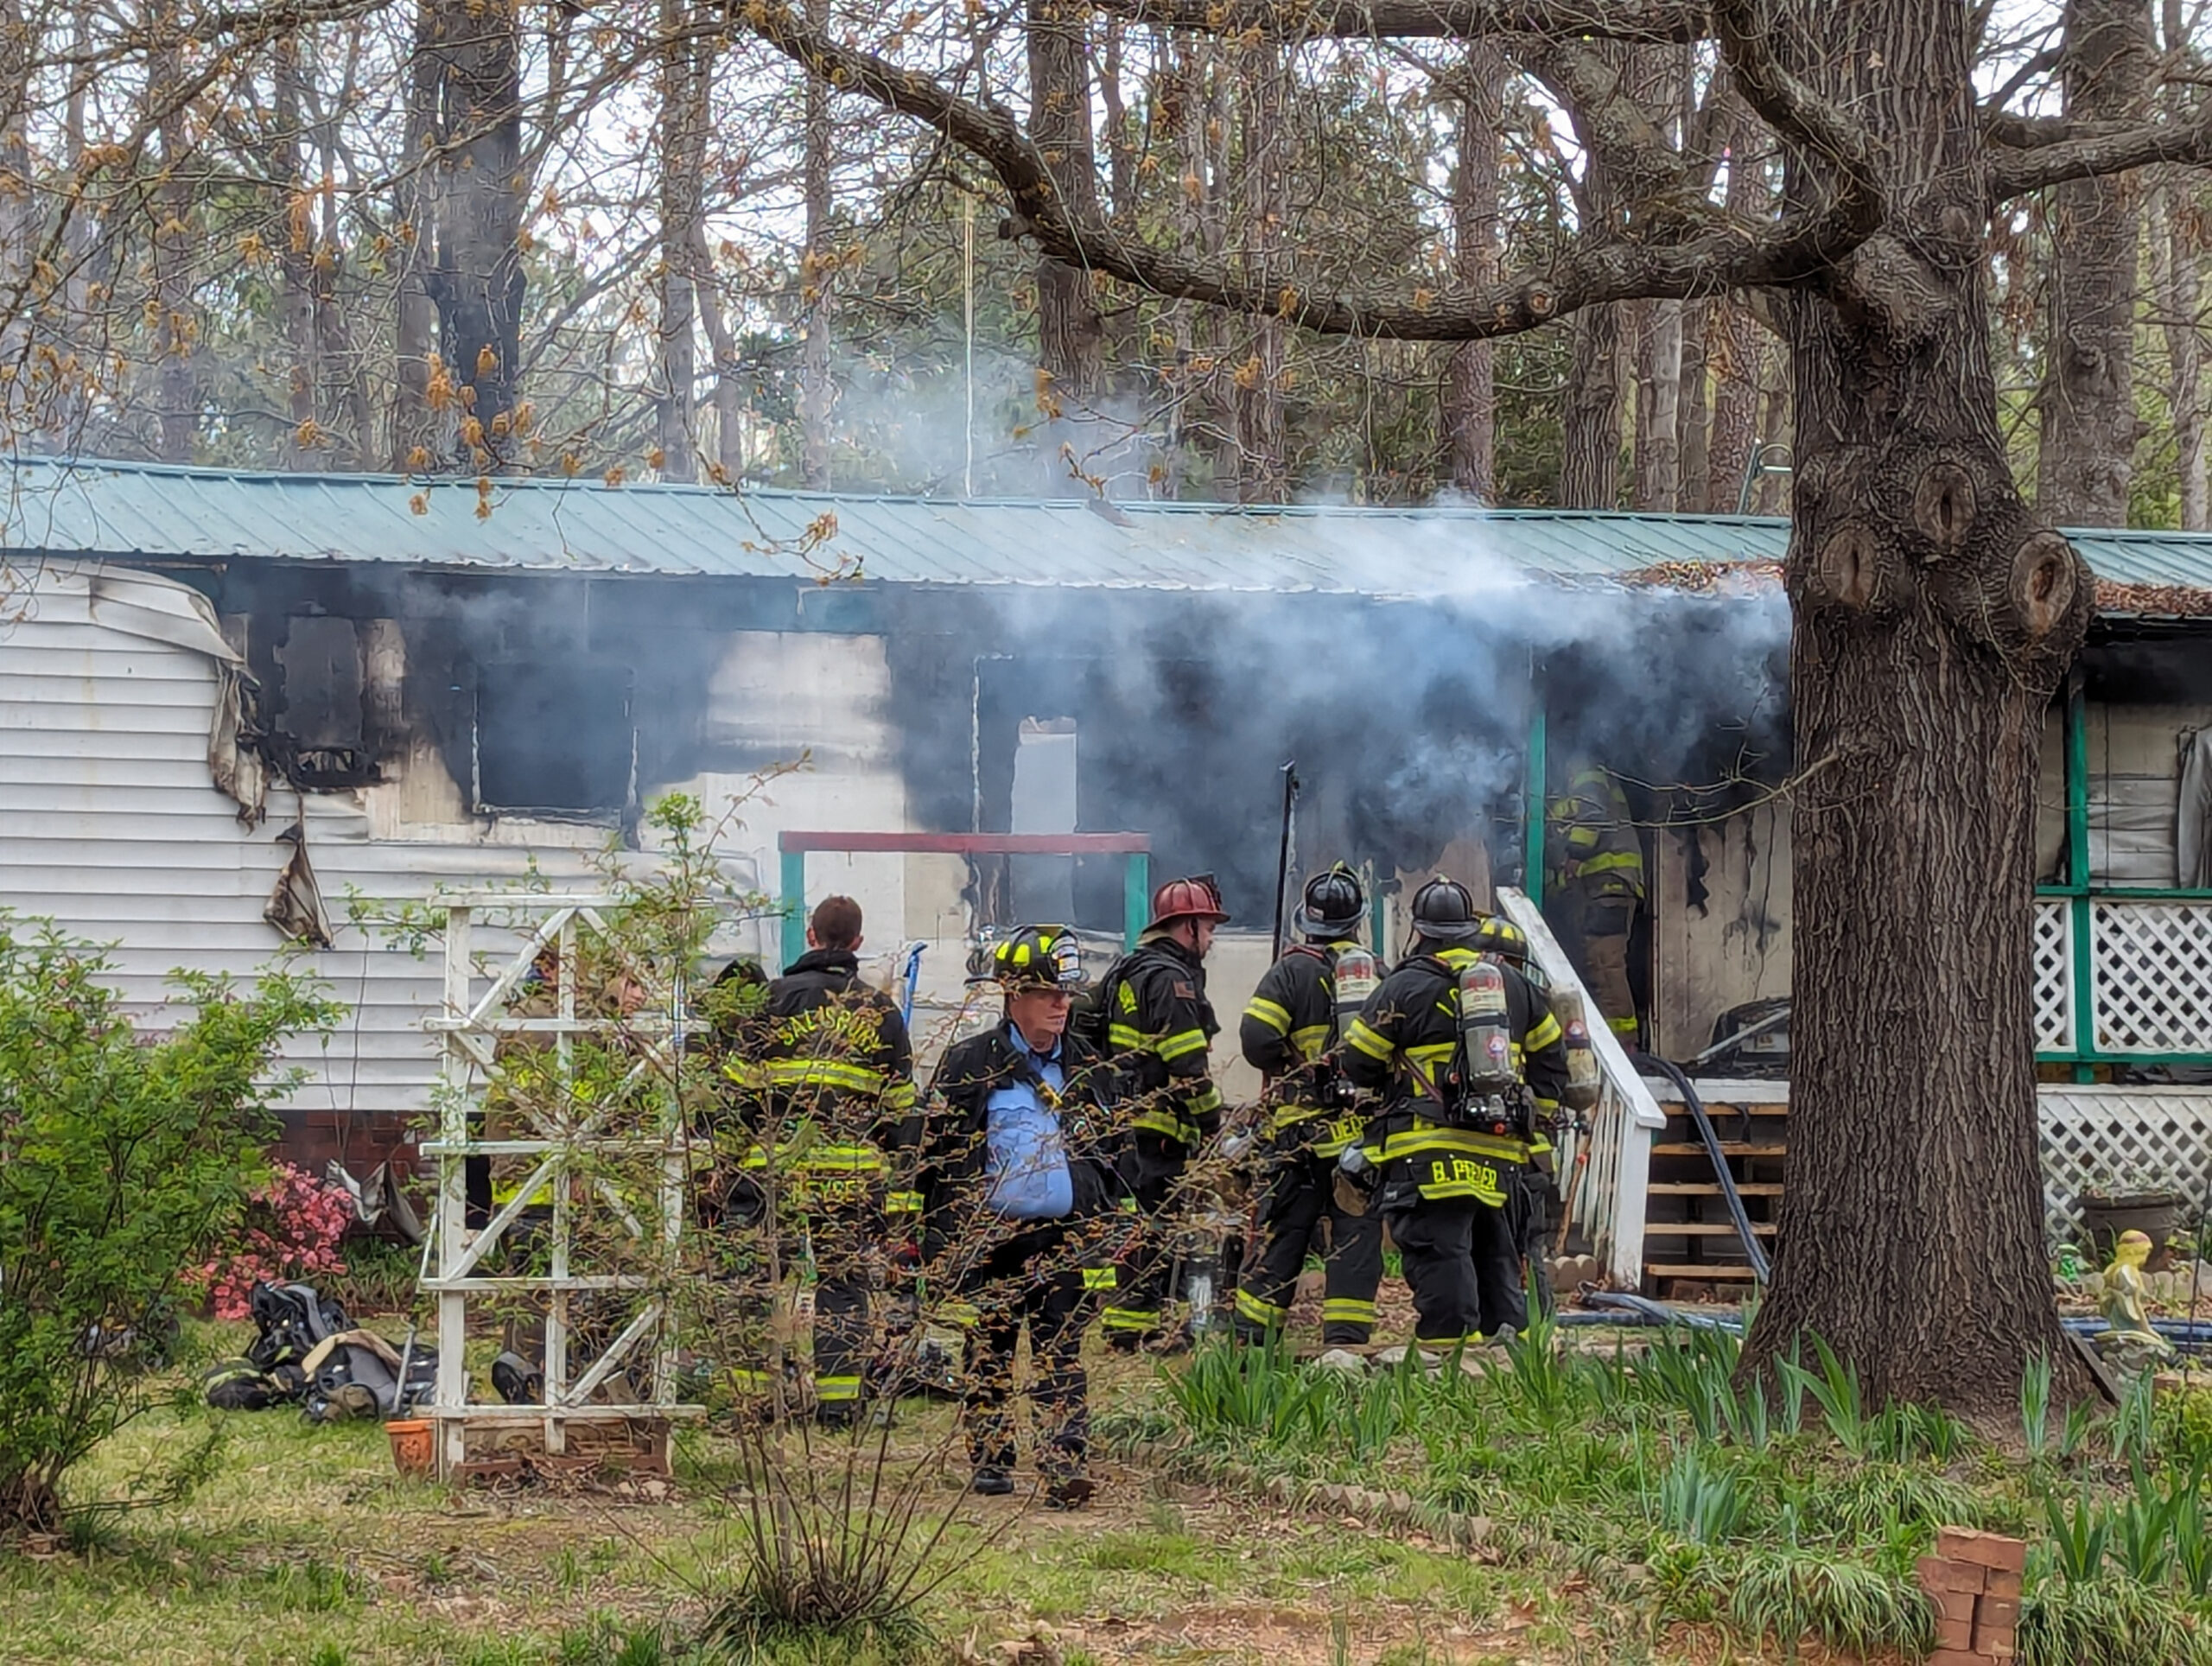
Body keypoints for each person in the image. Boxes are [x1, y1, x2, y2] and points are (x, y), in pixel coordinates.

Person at [918, 926, 1133, 1507]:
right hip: (993, 1238)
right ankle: (991, 1459)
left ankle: (1066, 1466)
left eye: (1067, 994)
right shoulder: (970, 1063)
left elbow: (1118, 1152)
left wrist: (1112, 1219)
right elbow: (931, 1156)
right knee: (989, 1347)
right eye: (1049, 994)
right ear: (1012, 994)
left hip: (1064, 1238)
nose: (1063, 1004)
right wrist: (930, 1241)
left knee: (1061, 1352)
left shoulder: (1092, 1066)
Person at [1341, 878, 1569, 1346]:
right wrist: (1532, 1122)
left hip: (1425, 1151)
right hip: (1500, 1152)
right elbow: (1553, 1062)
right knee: (1497, 1257)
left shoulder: (1402, 987)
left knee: (1439, 1256)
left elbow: (1358, 1063)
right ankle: (1510, 1365)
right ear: (1469, 931)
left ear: (1420, 932)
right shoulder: (1515, 986)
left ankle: (1449, 1365)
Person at [720, 896, 916, 1427]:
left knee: (759, 1282)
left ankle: (757, 1407)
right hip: (849, 1180)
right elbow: (901, 1110)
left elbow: (735, 1093)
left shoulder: (771, 1000)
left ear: (811, 935)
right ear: (856, 942)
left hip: (773, 1174)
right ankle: (839, 1406)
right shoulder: (882, 1014)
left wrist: (724, 1161)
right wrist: (901, 1186)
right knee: (843, 1287)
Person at [1232, 863, 1385, 1347]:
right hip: (1359, 1136)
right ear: (1358, 920)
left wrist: (1293, 1064)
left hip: (1300, 1135)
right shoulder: (1377, 973)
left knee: (1284, 1237)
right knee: (1356, 1239)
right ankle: (1345, 1343)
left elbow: (1257, 1039)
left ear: (1307, 921)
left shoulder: (1291, 970)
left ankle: (1253, 1345)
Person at [1095, 874, 1230, 1351]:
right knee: (1156, 1226)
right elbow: (1188, 1065)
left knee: (1136, 1224)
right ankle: (1137, 1328)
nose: (1211, 939)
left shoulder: (1125, 972)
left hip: (1124, 1123)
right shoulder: (1171, 980)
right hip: (1160, 1127)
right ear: (1186, 926)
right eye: (1208, 928)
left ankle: (1128, 1326)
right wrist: (1214, 1122)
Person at [1545, 759, 1645, 1046]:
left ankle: (1625, 1052)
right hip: (1595, 889)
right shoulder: (1562, 789)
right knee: (1592, 967)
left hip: (1609, 886)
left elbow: (1591, 816)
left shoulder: (1584, 770)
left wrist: (1575, 852)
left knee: (1605, 966)